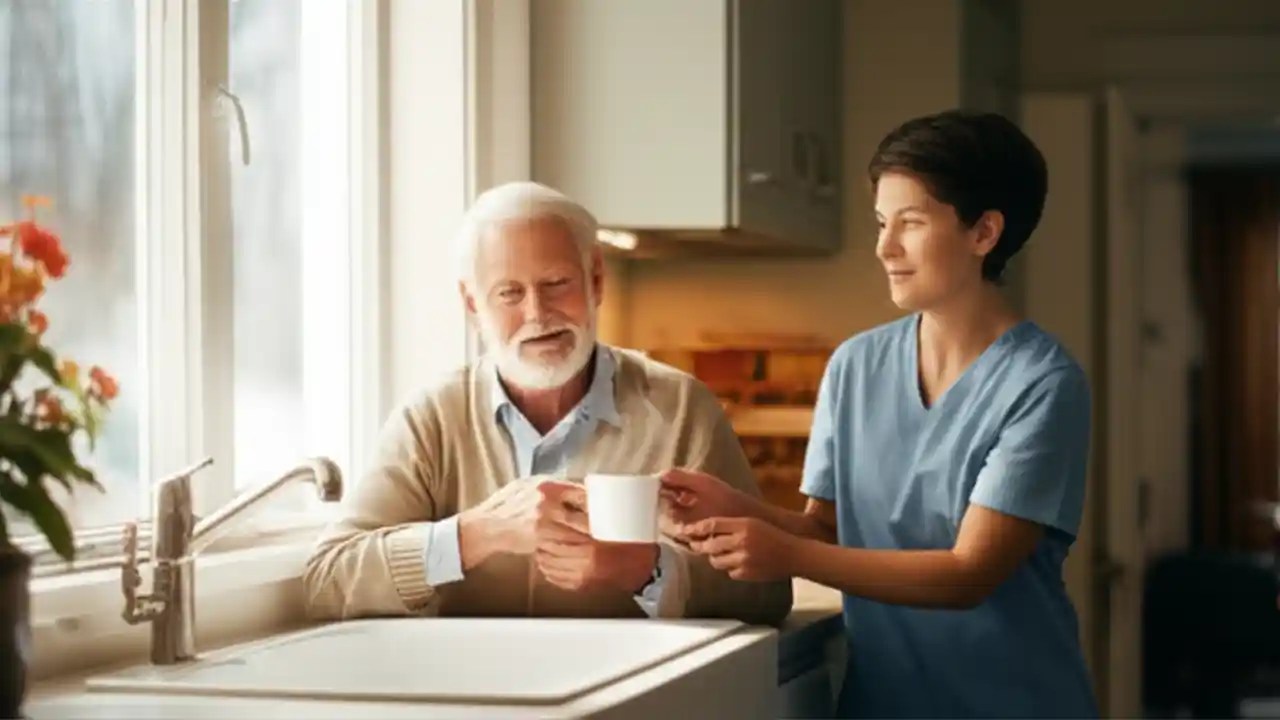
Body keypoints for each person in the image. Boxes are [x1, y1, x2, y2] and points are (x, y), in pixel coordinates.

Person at [661, 110, 1099, 717]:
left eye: (911, 223)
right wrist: (729, 507)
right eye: (880, 222)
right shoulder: (855, 365)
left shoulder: (1042, 383)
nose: (884, 246)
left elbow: (968, 574)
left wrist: (785, 554)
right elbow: (827, 530)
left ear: (984, 233)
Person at [304, 181, 791, 625]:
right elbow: (329, 580)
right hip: (470, 695)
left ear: (596, 279)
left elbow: (766, 592)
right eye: (509, 293)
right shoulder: (430, 418)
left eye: (556, 284)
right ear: (473, 304)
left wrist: (645, 569)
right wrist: (479, 533)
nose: (537, 313)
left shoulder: (682, 409)